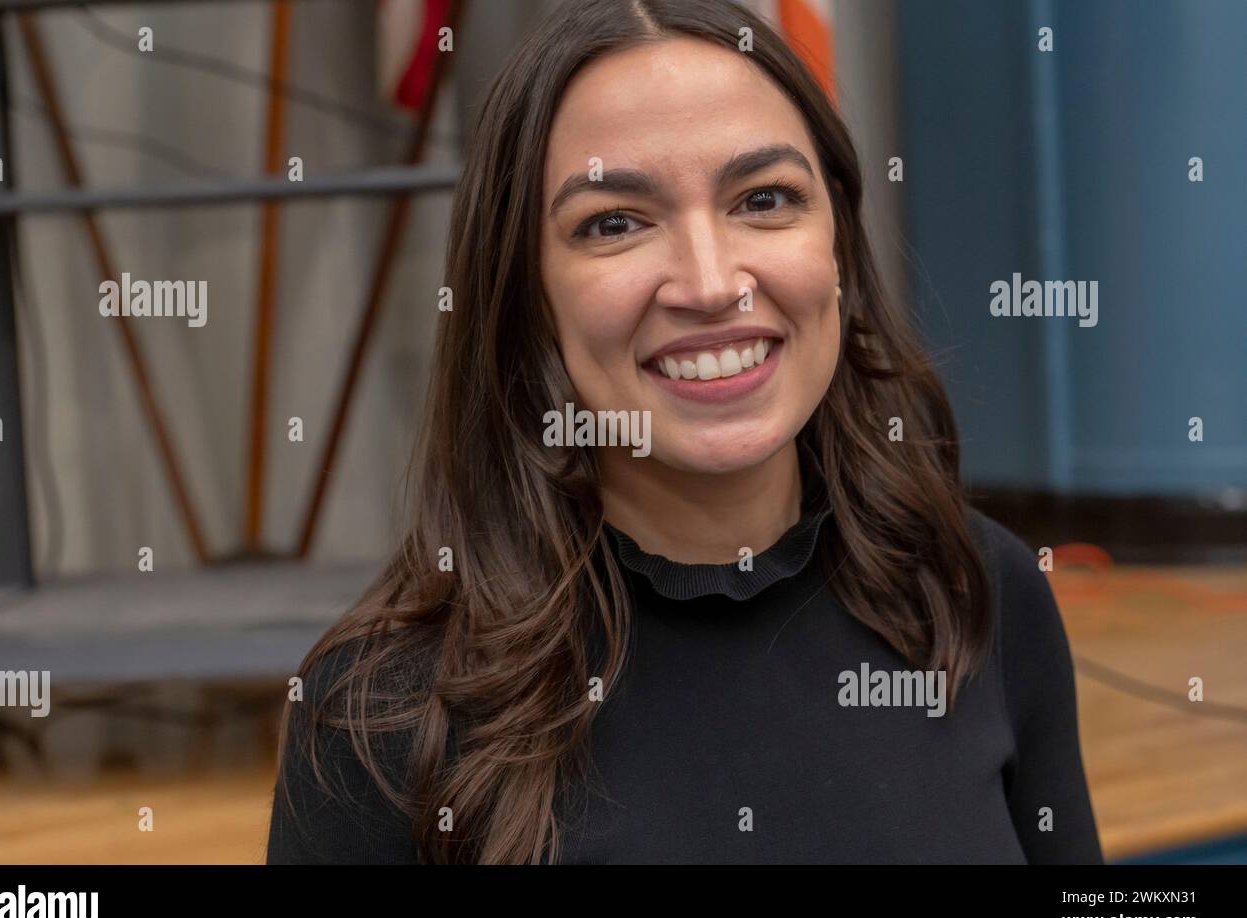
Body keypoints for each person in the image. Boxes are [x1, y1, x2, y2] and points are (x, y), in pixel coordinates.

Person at [266, 0, 1104, 865]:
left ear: (840, 251)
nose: (710, 283)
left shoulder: (978, 589)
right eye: (615, 222)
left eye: (764, 198)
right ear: (524, 297)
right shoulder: (379, 714)